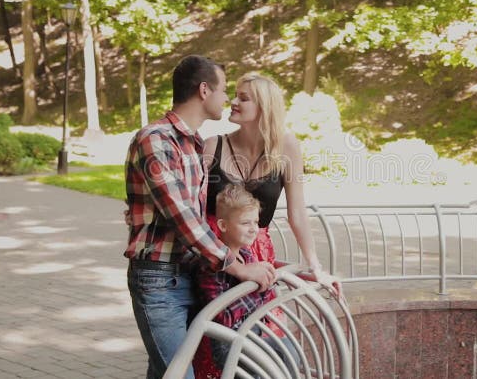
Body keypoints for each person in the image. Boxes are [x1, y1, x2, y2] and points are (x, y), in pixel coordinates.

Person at [123, 55, 277, 379]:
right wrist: (238, 267)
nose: (227, 99)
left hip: (192, 272)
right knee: (178, 373)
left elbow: (194, 212)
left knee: (165, 370)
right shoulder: (157, 139)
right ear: (204, 91)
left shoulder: (192, 145)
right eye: (224, 90)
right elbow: (185, 220)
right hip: (159, 279)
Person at [202, 72, 341, 294]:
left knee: (259, 324)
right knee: (212, 324)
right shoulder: (212, 146)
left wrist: (316, 268)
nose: (233, 102)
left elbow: (297, 213)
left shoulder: (286, 147)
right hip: (213, 254)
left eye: (243, 98)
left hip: (258, 256)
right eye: (235, 96)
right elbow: (190, 209)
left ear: (264, 107)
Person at [193, 184, 299, 378]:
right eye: (245, 223)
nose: (253, 230)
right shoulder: (211, 266)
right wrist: (257, 290)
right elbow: (222, 317)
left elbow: (267, 292)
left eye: (256, 222)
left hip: (253, 334)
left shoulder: (246, 255)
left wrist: (263, 283)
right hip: (230, 343)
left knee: (290, 353)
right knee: (271, 364)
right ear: (223, 225)